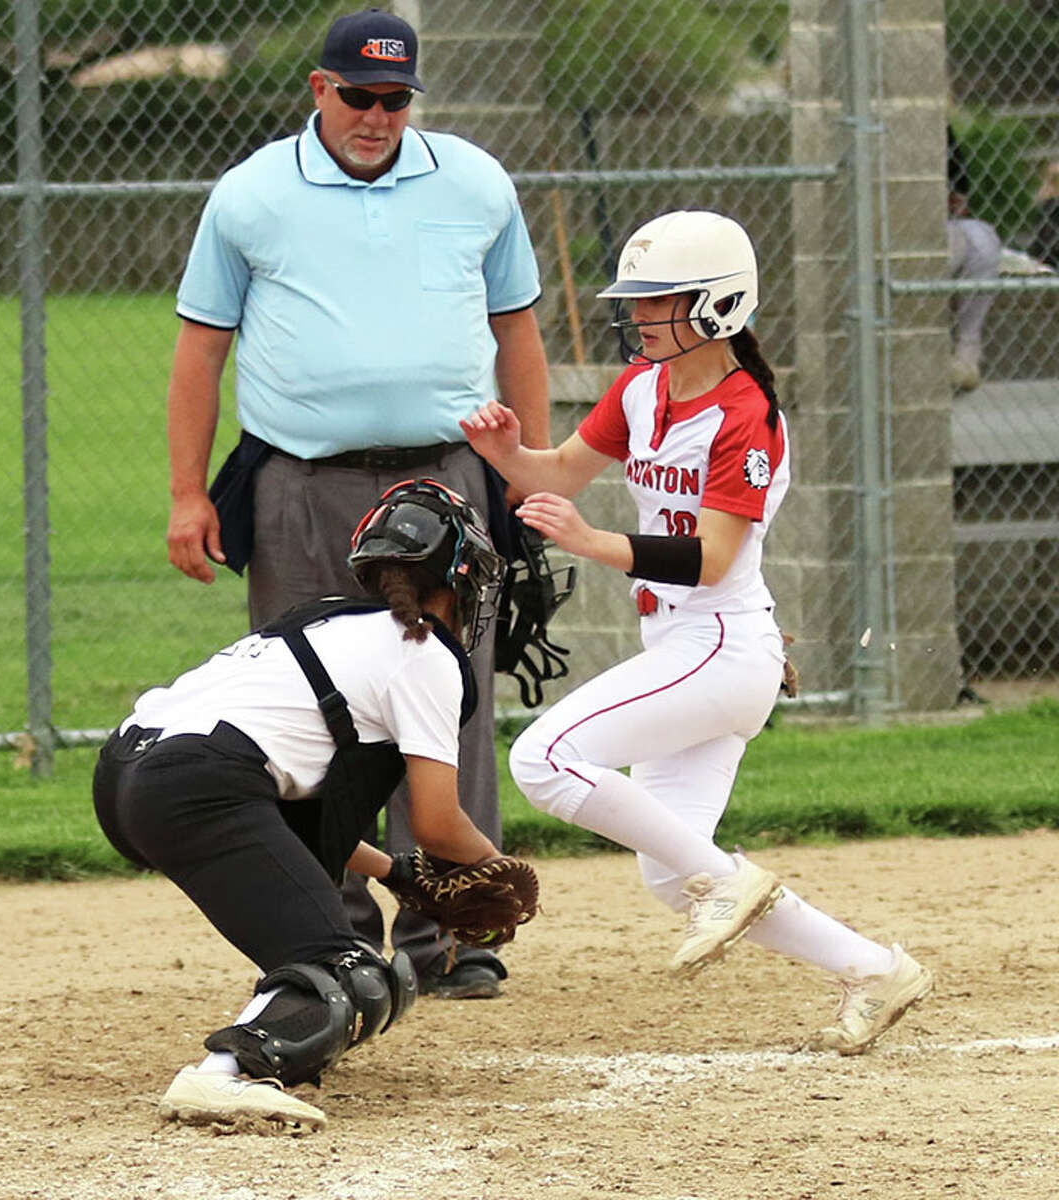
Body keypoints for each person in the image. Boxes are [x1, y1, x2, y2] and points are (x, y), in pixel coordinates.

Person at [460, 210, 934, 1055]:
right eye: (637, 300)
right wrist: (506, 454)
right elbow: (559, 469)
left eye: (659, 300)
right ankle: (874, 969)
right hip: (685, 650)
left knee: (543, 758)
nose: (638, 316)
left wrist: (592, 542)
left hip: (720, 646)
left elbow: (713, 560)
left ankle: (732, 880)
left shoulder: (746, 413)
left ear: (719, 304)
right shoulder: (643, 387)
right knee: (675, 877)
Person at [164, 6, 549, 1000]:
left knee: (448, 698)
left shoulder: (474, 183)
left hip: (447, 477)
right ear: (319, 89)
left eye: (394, 99)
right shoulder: (252, 195)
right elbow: (201, 350)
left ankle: (453, 931)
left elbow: (518, 331)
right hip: (300, 481)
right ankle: (331, 928)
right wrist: (187, 494)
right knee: (308, 708)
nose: (377, 117)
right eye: (358, 96)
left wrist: (529, 473)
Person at [95, 480, 509, 1129]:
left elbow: (292, 825)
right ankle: (225, 1073)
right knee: (350, 973)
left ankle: (295, 1012)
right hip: (196, 785)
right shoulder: (424, 651)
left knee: (353, 969)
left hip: (128, 774)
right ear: (459, 582)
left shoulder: (326, 620)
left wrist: (394, 872)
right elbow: (436, 823)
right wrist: (496, 866)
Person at [947, 125, 1002, 392]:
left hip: (938, 230)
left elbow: (959, 190)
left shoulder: (940, 128)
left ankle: (966, 354)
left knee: (983, 239)